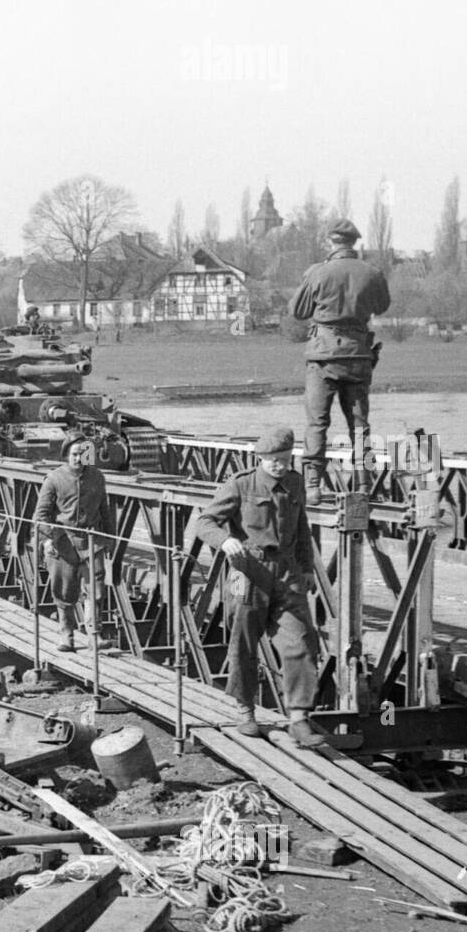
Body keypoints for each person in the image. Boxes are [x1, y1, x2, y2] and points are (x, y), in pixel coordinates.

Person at [192, 425, 326, 748]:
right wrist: (225, 542)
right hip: (246, 571)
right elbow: (204, 522)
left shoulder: (294, 483)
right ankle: (245, 710)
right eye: (272, 460)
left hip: (287, 573)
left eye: (284, 459)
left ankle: (298, 718)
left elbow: (302, 529)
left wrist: (307, 568)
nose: (279, 465)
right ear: (260, 458)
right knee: (244, 641)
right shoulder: (241, 485)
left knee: (301, 641)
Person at [289, 218, 391, 502]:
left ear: (332, 242)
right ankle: (362, 483)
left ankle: (312, 486)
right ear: (354, 242)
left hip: (323, 356)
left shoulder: (318, 272)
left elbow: (298, 310)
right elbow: (382, 306)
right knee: (360, 425)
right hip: (358, 354)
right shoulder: (372, 273)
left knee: (317, 422)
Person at [33, 433, 115, 653]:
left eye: (83, 453)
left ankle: (94, 636)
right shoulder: (53, 479)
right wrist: (48, 539)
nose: (79, 458)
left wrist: (109, 537)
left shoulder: (97, 476)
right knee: (64, 592)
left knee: (95, 591)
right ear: (66, 455)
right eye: (75, 454)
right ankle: (66, 635)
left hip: (91, 542)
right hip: (63, 543)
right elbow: (40, 515)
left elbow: (105, 510)